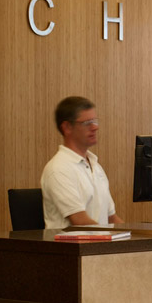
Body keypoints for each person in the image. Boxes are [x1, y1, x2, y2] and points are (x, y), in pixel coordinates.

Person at [40, 95, 123, 230]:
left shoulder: (95, 166)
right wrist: (112, 237)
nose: (95, 127)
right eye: (87, 123)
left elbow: (111, 218)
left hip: (101, 241)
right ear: (67, 127)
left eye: (95, 121)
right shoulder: (58, 169)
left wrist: (135, 236)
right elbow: (80, 221)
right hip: (75, 243)